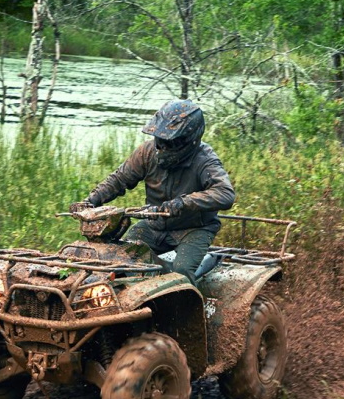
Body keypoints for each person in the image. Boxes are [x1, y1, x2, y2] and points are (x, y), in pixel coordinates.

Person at [72, 99, 235, 283]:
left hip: (193, 229)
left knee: (180, 274)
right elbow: (119, 179)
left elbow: (225, 194)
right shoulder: (147, 152)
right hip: (154, 224)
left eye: (170, 142)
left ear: (188, 141)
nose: (162, 147)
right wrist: (91, 201)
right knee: (121, 258)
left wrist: (184, 202)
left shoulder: (205, 160)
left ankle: (182, 308)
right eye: (160, 140)